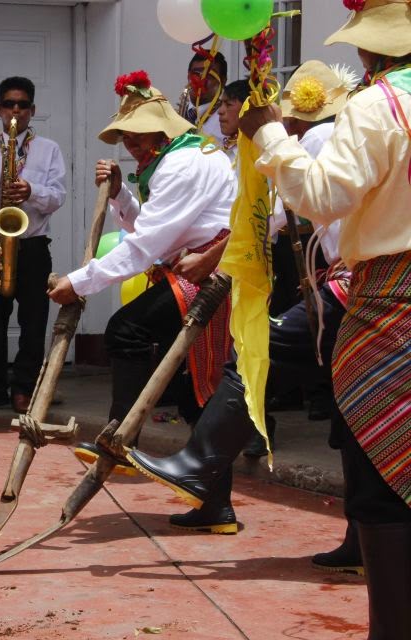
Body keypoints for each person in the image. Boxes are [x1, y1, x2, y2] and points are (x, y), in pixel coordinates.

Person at [127, 60, 359, 540]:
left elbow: (274, 214)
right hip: (354, 282)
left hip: (351, 285)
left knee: (255, 355)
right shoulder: (348, 135)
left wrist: (216, 258)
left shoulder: (313, 140)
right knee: (351, 412)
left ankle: (197, 463)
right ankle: (361, 536)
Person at [237, 3, 411, 635]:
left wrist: (271, 136)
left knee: (383, 486)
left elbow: (319, 198)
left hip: (392, 309)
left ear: (369, 50)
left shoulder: (378, 105)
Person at [48, 70, 234, 469]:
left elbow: (146, 246)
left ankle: (121, 436)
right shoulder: (176, 158)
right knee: (189, 382)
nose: (129, 145)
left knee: (125, 331)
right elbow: (155, 233)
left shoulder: (183, 164)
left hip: (208, 272)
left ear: (161, 134)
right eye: (125, 138)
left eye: (137, 136)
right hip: (187, 267)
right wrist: (120, 195)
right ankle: (209, 489)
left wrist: (79, 282)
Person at [0, 76, 66, 413]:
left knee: (34, 322)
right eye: (9, 104)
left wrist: (31, 191)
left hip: (33, 245)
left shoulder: (49, 150)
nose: (15, 110)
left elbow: (59, 196)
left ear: (32, 110)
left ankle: (25, 388)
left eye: (22, 104)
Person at [178, 51, 228, 146]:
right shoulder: (175, 115)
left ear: (223, 81)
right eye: (196, 73)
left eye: (210, 75)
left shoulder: (228, 122)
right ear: (188, 76)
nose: (201, 80)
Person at [215, 79, 251, 162]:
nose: (220, 111)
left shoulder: (259, 154)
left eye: (229, 105)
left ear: (248, 109)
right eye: (221, 104)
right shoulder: (218, 148)